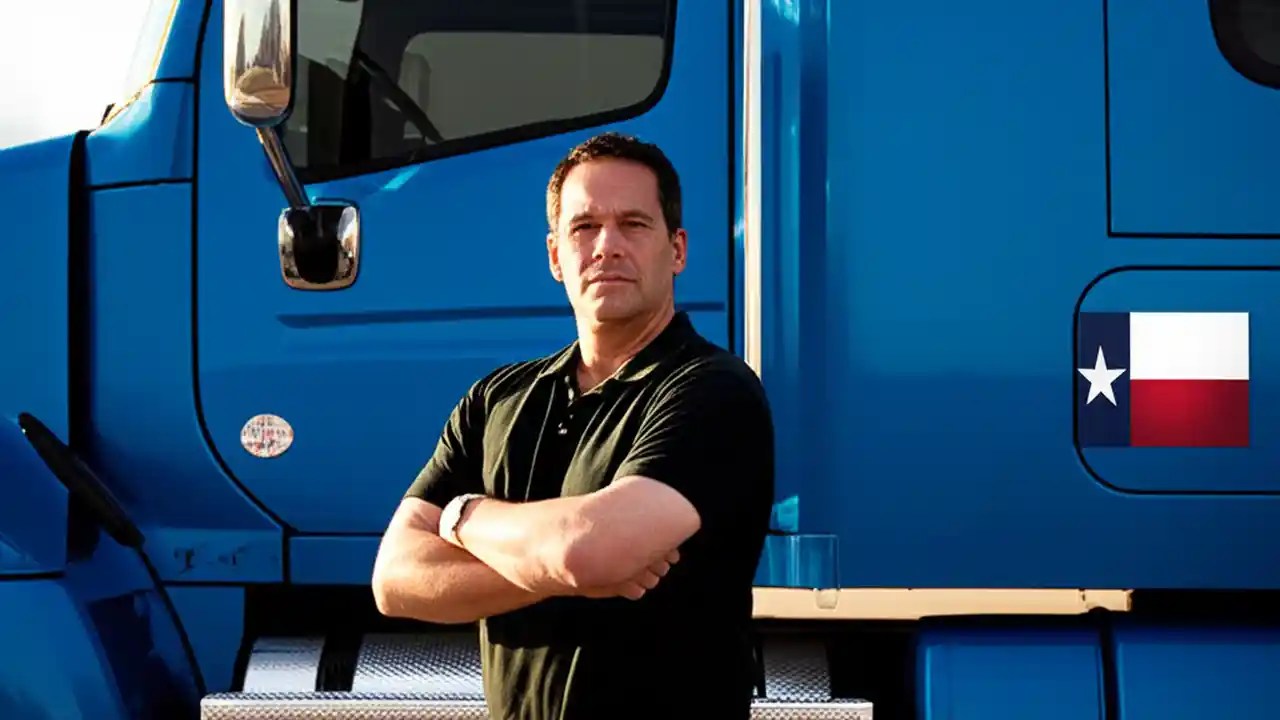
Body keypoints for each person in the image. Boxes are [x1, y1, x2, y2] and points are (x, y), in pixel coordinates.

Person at [370, 132, 775, 719]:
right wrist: (565, 567)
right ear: (556, 255)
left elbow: (588, 549)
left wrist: (463, 517)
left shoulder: (714, 391)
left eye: (634, 224)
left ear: (678, 249)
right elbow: (396, 579)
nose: (607, 246)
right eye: (584, 227)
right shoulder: (497, 400)